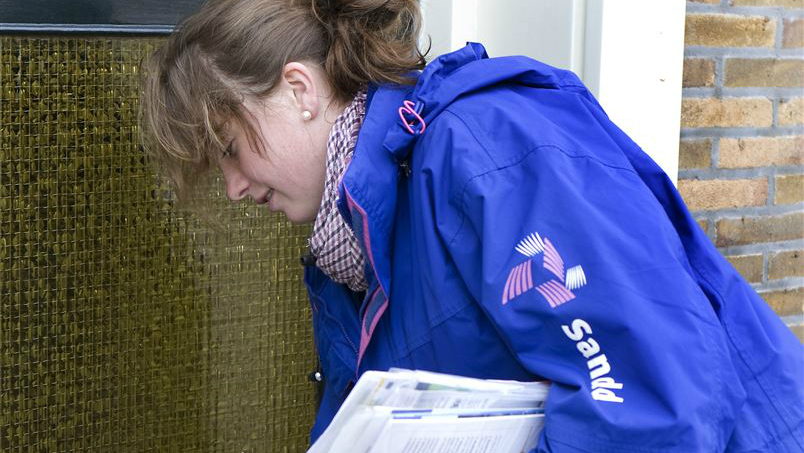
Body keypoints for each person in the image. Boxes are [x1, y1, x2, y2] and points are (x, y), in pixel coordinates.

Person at [139, 0, 804, 451]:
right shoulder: (356, 241)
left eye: (229, 147)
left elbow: (651, 407)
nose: (233, 187)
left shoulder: (487, 153)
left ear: (299, 90)